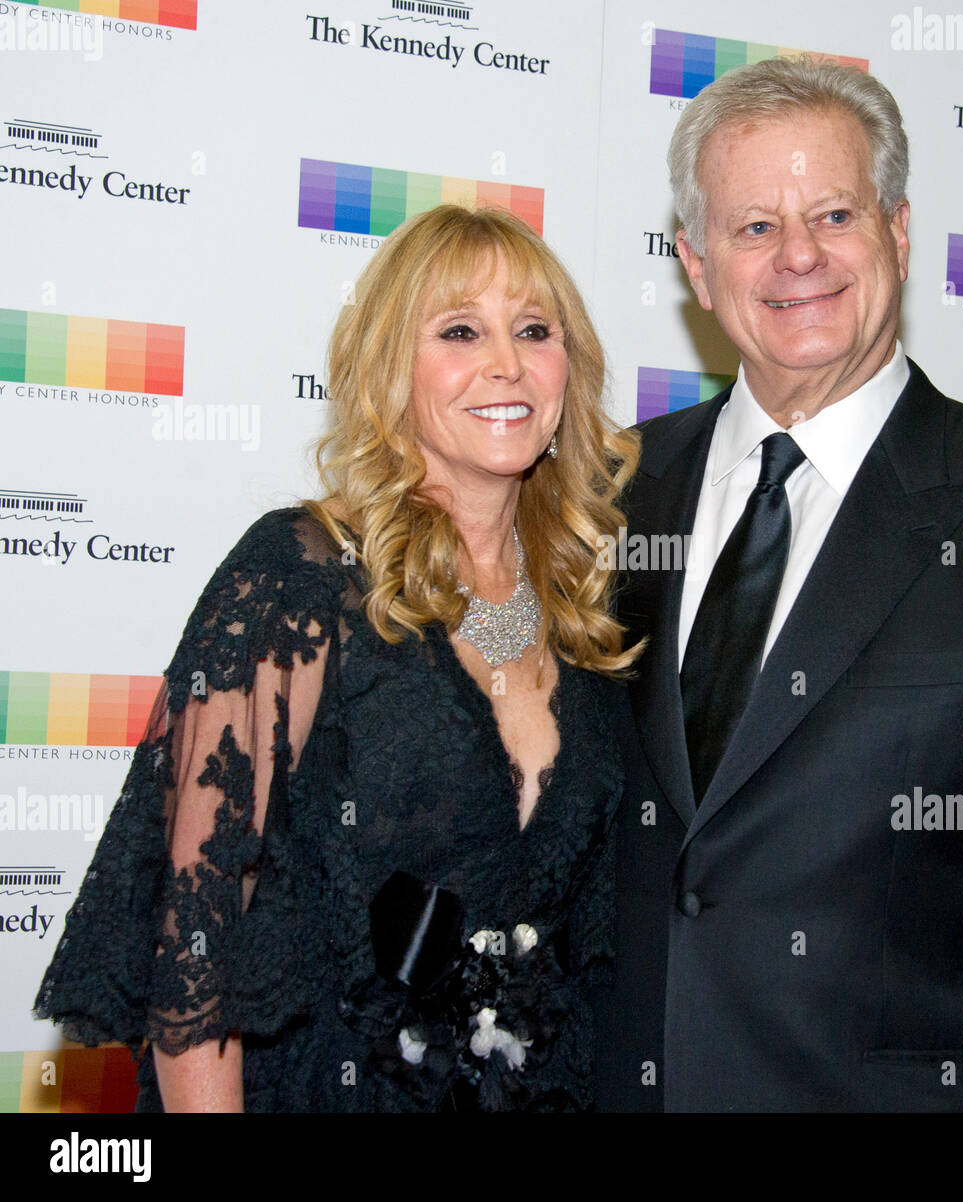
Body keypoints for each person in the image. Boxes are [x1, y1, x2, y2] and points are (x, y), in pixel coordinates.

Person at [592, 57, 963, 1112]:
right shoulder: (606, 498)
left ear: (899, 232)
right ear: (694, 261)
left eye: (833, 211)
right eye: (753, 226)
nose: (799, 256)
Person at [35, 204, 641, 1112]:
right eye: (461, 331)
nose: (506, 363)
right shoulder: (302, 576)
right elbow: (195, 936)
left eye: (534, 330)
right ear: (391, 371)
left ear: (570, 370)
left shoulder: (589, 615)